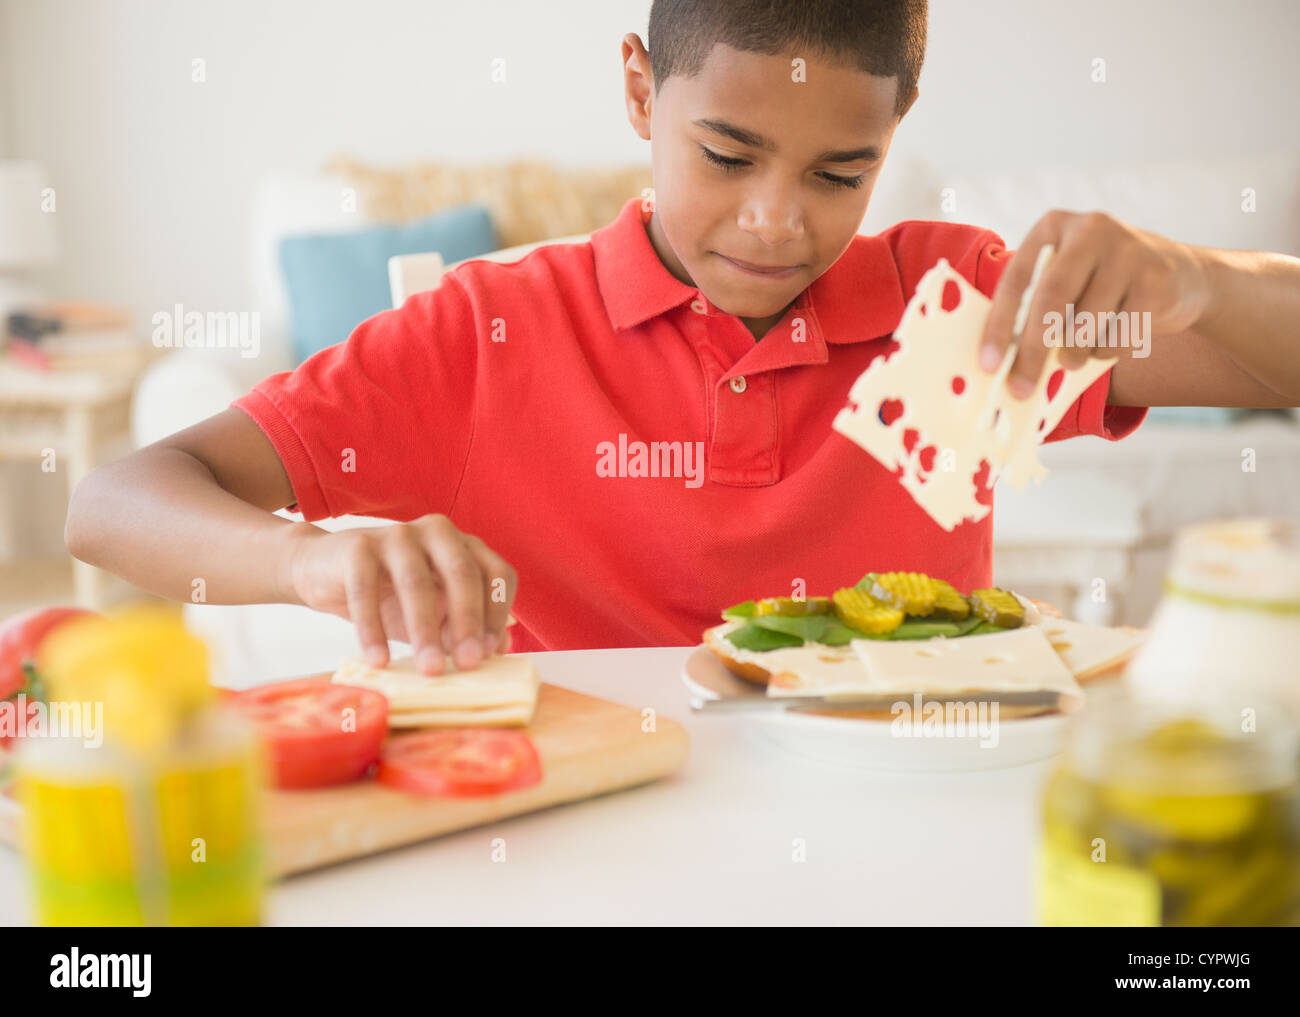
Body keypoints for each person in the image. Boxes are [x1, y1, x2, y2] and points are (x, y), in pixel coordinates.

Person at [65, 0, 1300, 675]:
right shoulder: (493, 334)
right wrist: (314, 565)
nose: (777, 222)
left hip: (901, 829)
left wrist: (1198, 279)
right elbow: (115, 503)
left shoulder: (951, 317)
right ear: (640, 93)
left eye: (840, 171)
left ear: (898, 128)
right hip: (593, 836)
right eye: (727, 155)